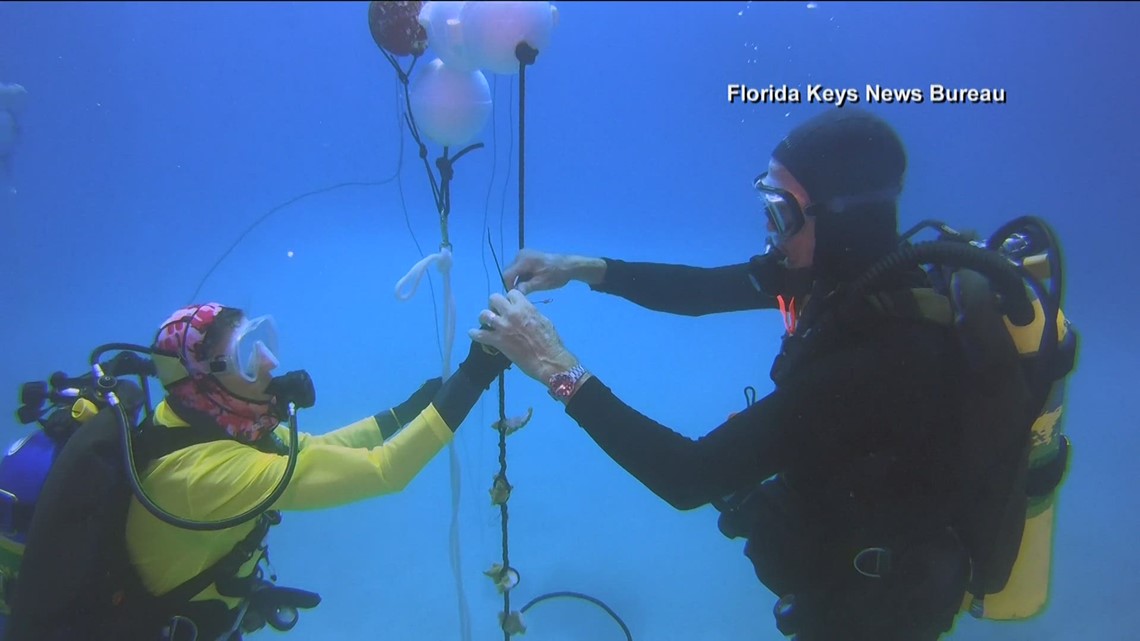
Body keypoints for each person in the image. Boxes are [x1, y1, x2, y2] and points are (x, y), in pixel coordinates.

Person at [470, 109, 984, 641]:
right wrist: (579, 268)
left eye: (783, 214)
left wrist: (553, 365)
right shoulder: (848, 277)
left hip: (873, 617)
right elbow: (703, 293)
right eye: (768, 206)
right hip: (841, 569)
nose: (768, 230)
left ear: (842, 221)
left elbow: (689, 477)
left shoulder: (880, 355)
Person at [7, 301, 509, 641]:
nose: (269, 361)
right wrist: (474, 375)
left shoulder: (196, 418)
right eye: (247, 355)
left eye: (261, 339)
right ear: (205, 379)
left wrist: (407, 411)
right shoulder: (204, 474)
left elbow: (315, 446)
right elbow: (385, 471)